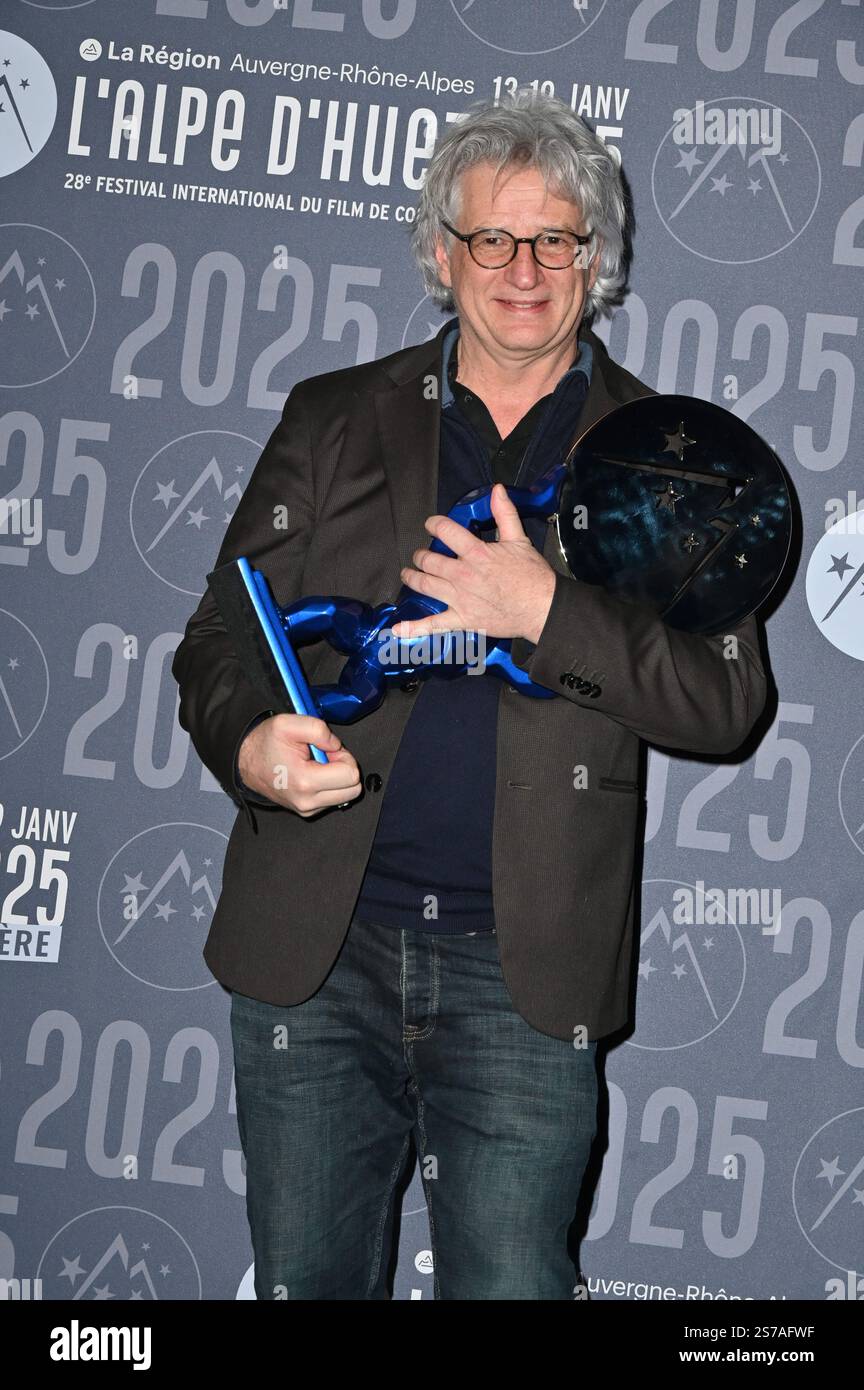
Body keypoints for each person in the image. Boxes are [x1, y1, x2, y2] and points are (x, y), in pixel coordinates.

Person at [172, 87, 768, 1300]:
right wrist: (250, 748)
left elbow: (726, 701)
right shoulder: (333, 419)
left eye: (555, 238)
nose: (523, 268)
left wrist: (546, 613)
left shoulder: (670, 454)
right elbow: (217, 638)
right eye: (492, 237)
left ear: (595, 260)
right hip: (318, 958)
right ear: (443, 256)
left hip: (523, 970)